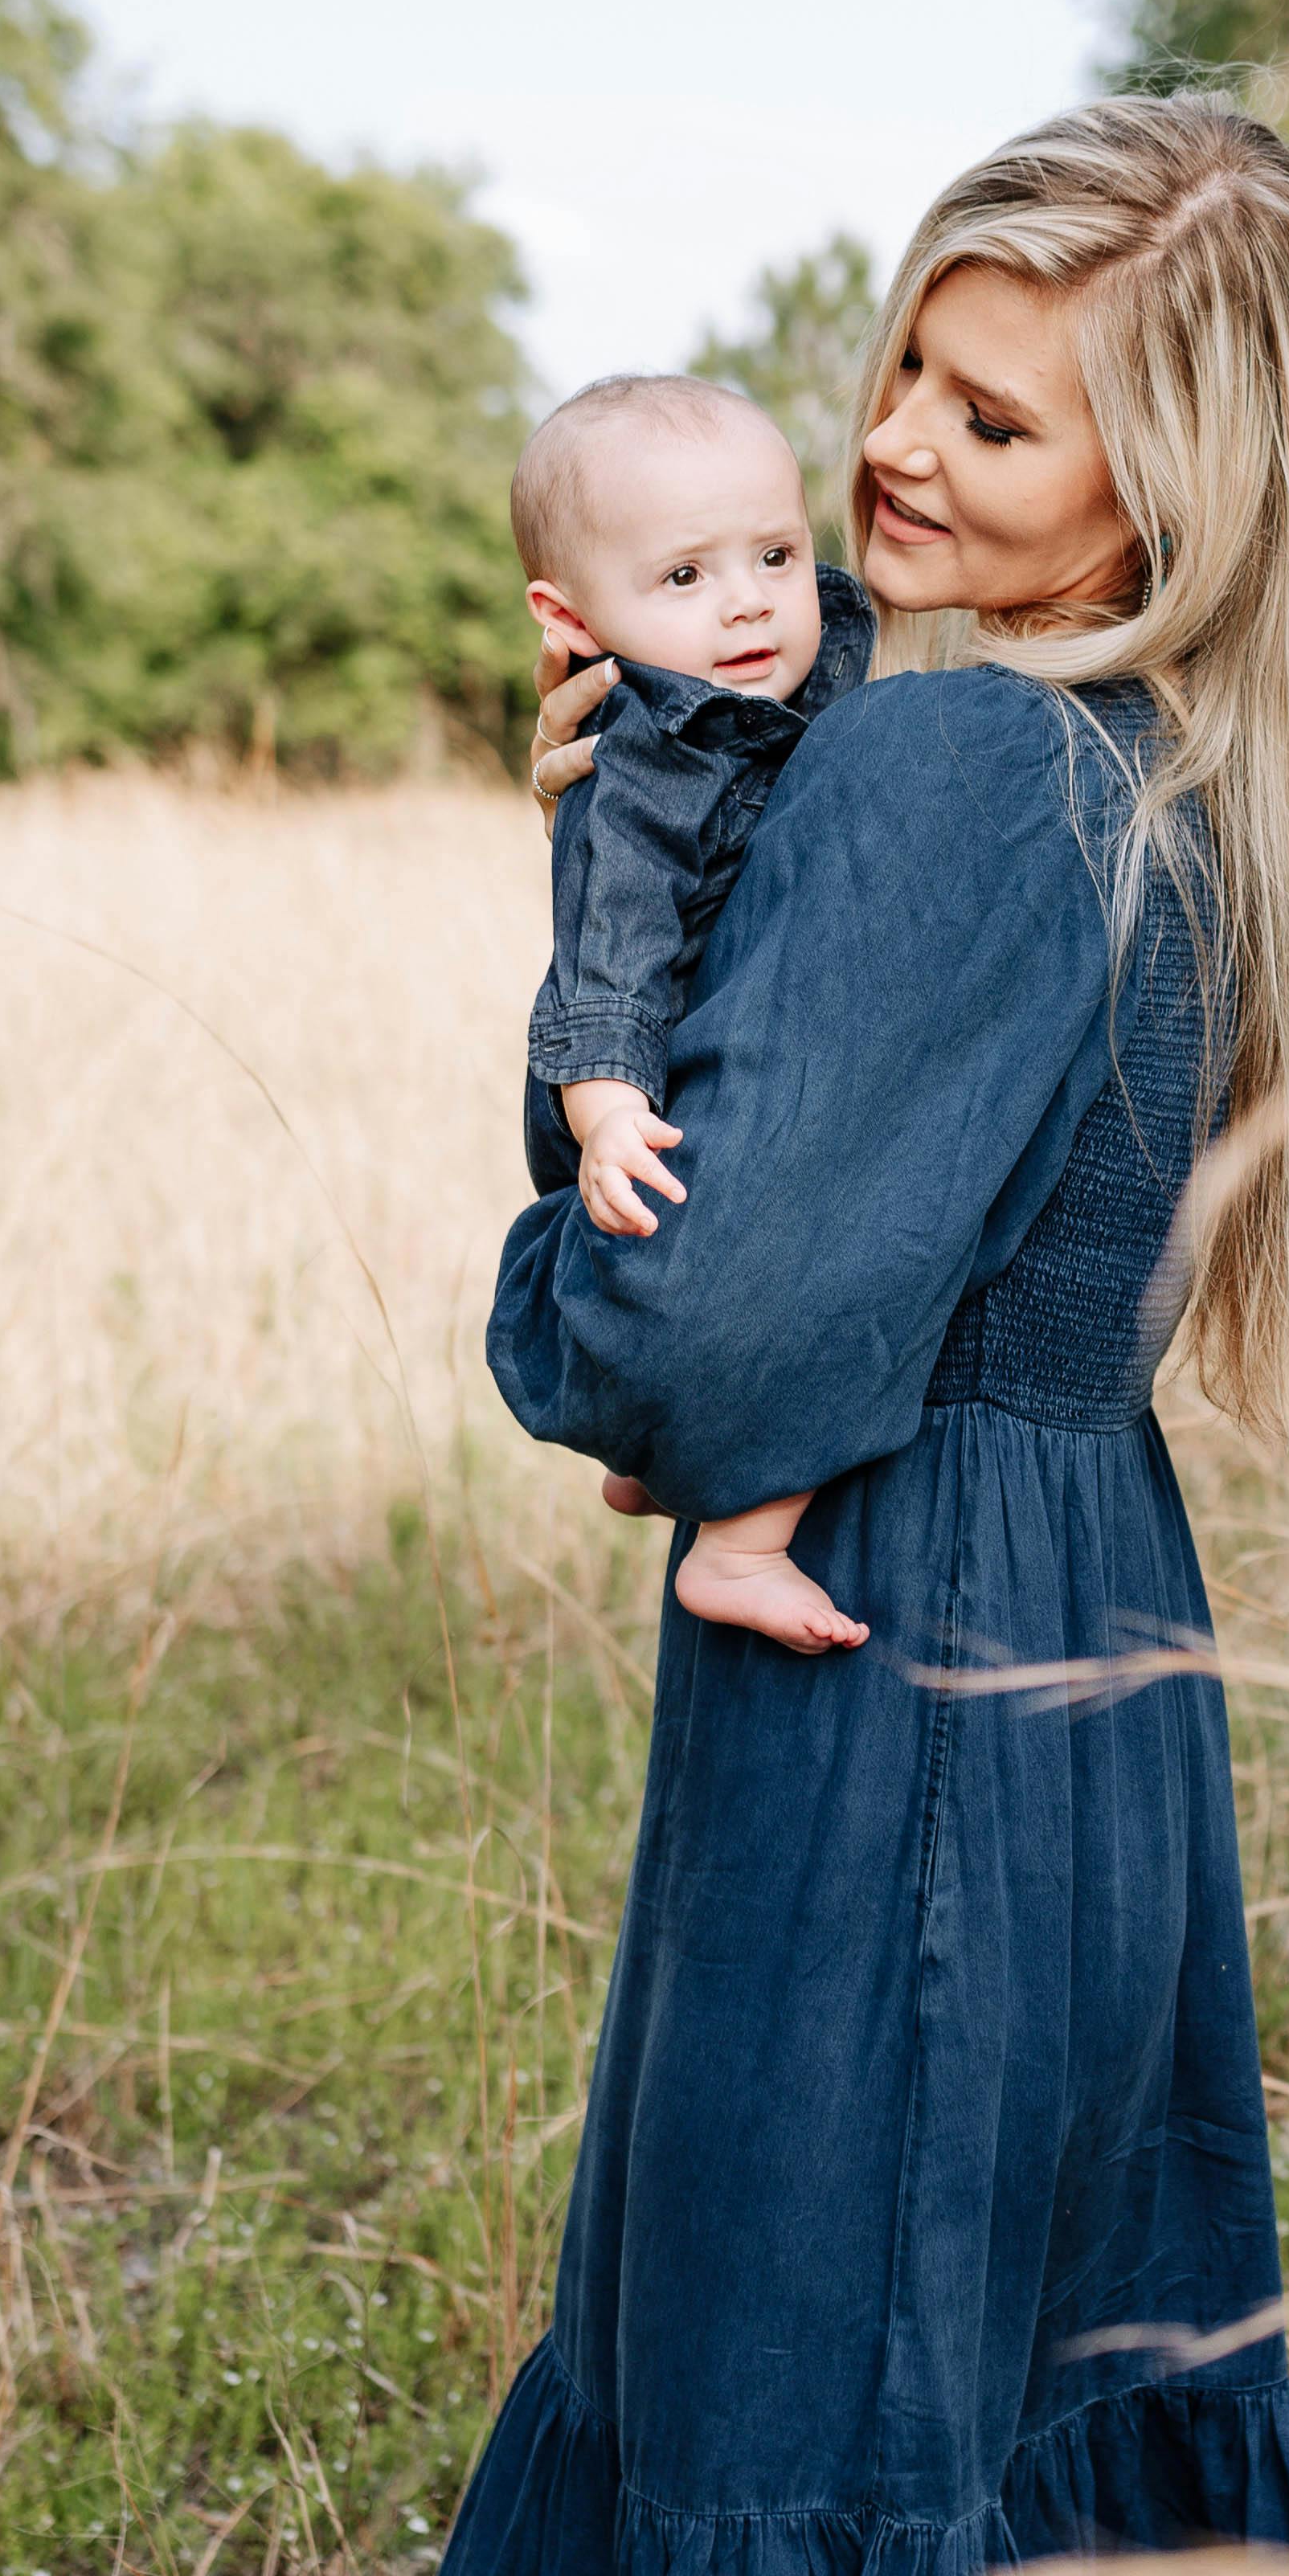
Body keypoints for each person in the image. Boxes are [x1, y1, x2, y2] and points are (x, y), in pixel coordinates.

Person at [375, 95, 1289, 2576]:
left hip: (910, 1719)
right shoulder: (1108, 771)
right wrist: (669, 800)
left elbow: (695, 1331)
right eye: (902, 370)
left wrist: (552, 1276)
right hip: (1058, 1642)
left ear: (1174, 499)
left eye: (998, 416)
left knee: (817, 2469)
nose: (886, 448)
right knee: (915, 2423)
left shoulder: (975, 779)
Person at [511, 367, 876, 1652]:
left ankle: (644, 1453)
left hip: (673, 1066)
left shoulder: (779, 669)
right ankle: (740, 1540)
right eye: (684, 579)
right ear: (570, 619)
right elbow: (608, 957)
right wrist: (607, 1113)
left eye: (776, 555)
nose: (747, 604)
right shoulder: (651, 757)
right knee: (800, 1272)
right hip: (632, 1084)